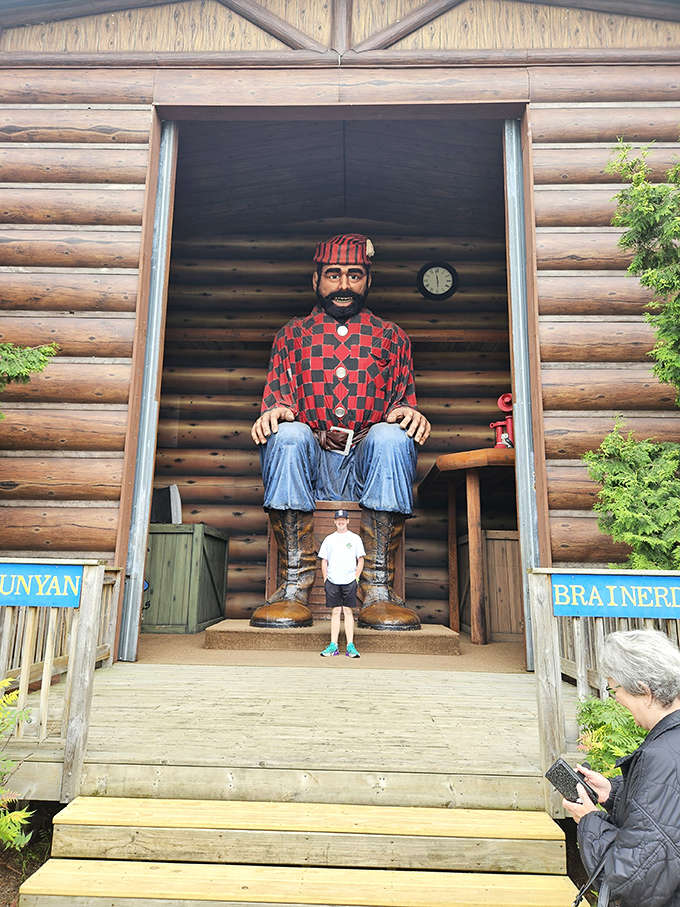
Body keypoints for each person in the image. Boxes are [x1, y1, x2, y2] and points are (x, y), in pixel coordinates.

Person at [249, 233, 430, 631]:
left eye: (354, 274)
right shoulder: (291, 335)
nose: (344, 284)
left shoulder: (392, 337)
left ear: (369, 280)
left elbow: (402, 402)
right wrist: (276, 413)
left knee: (392, 438)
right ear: (316, 280)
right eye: (333, 274)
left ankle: (377, 588)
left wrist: (409, 414)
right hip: (311, 460)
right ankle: (294, 584)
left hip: (367, 461)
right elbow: (277, 401)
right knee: (287, 436)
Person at [563, 629, 680, 907]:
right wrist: (612, 793)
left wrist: (589, 820)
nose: (615, 699)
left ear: (645, 691)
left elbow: (633, 879)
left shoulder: (660, 758)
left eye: (615, 690)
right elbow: (667, 824)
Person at [318, 509, 365, 658]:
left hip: (349, 581)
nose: (341, 522)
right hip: (332, 581)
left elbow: (361, 560)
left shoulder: (355, 538)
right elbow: (324, 560)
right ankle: (334, 646)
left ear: (348, 521)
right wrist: (325, 579)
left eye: (343, 519)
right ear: (334, 521)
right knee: (336, 611)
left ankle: (350, 646)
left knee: (348, 611)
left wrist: (356, 578)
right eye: (338, 520)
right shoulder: (329, 539)